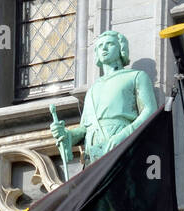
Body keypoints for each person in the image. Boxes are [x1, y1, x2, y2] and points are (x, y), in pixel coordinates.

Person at [50, 31, 157, 166]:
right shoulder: (93, 88)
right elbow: (85, 128)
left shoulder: (136, 76)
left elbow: (150, 110)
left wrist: (123, 137)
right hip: (93, 151)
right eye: (100, 46)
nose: (104, 49)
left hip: (122, 143)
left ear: (121, 49)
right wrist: (67, 135)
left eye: (110, 44)